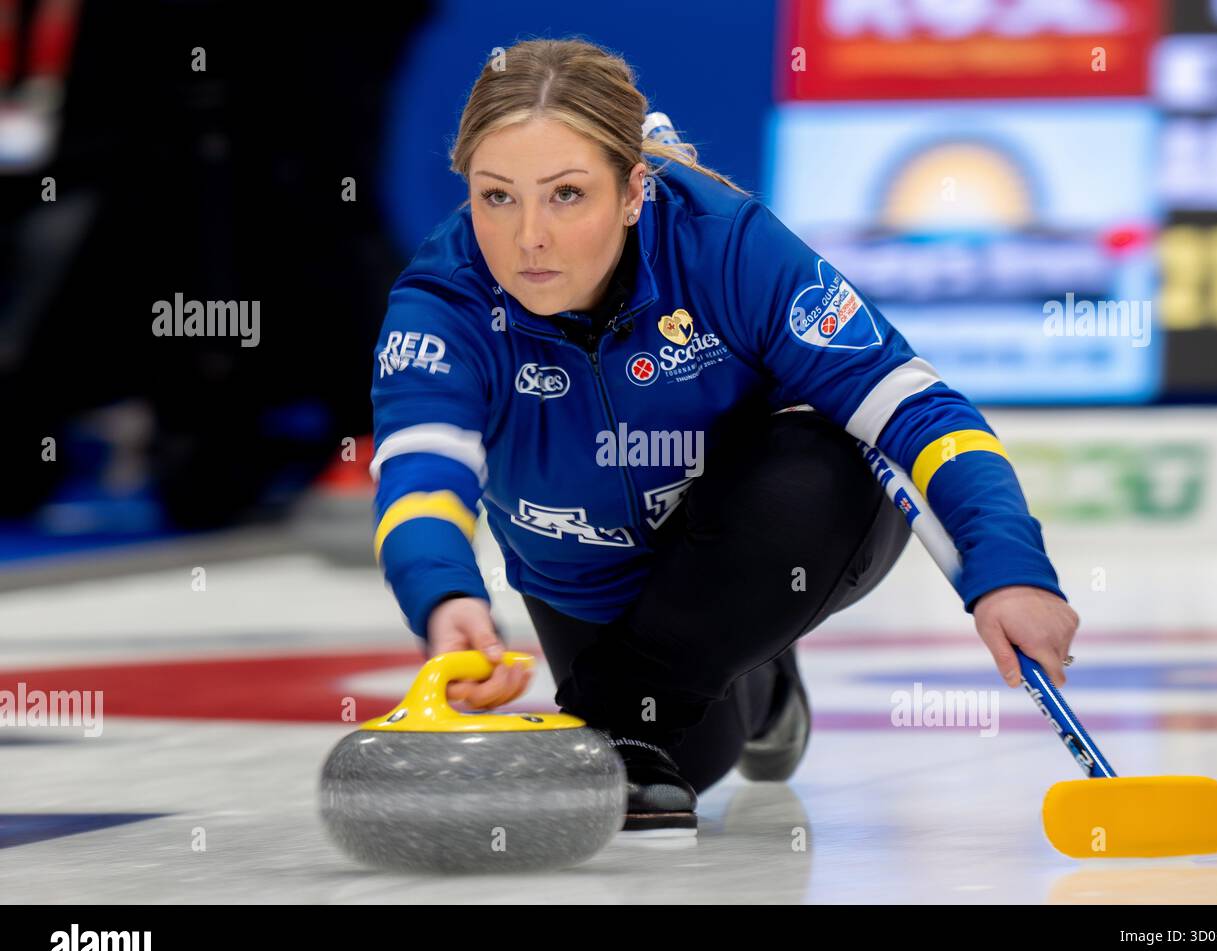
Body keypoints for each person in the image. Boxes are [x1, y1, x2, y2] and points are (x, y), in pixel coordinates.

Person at [369, 38, 1079, 834]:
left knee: (822, 460)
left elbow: (917, 411)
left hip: (771, 525)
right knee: (695, 760)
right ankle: (762, 677)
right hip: (591, 585)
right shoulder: (443, 299)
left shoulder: (725, 245)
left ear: (635, 191)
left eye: (567, 195)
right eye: (497, 198)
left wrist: (1014, 571)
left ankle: (663, 688)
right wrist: (447, 597)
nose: (529, 236)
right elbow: (420, 473)